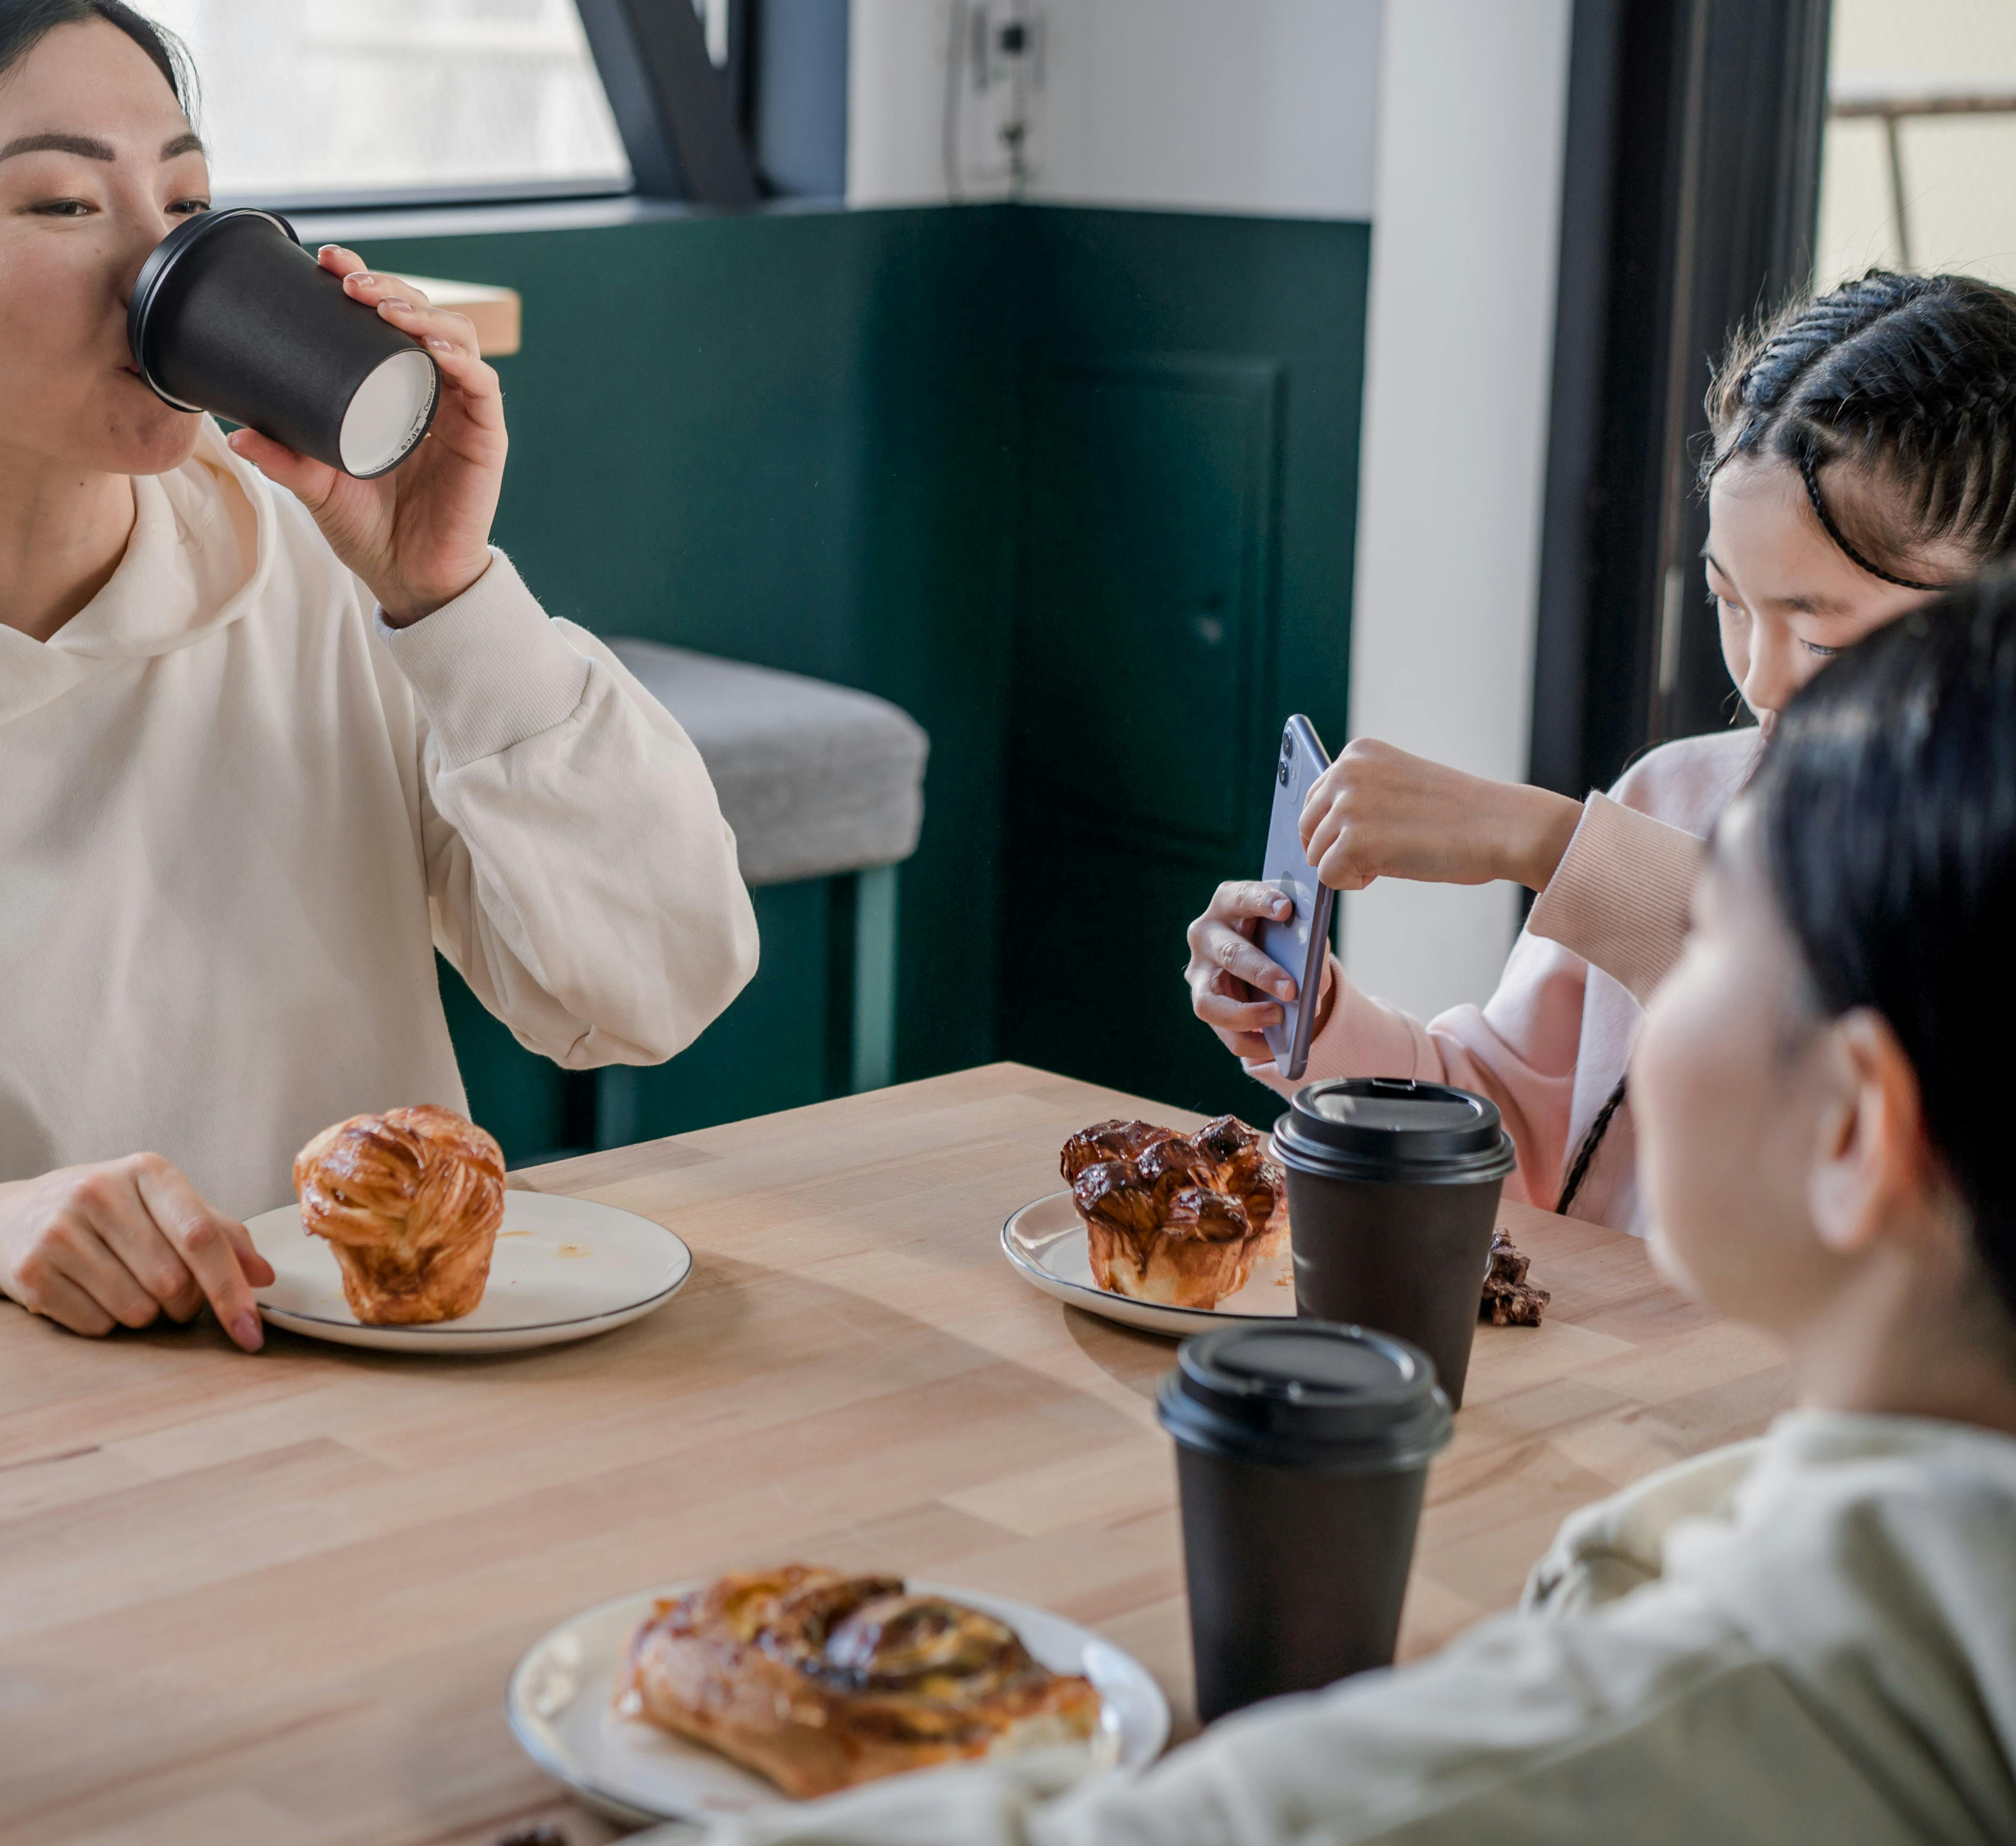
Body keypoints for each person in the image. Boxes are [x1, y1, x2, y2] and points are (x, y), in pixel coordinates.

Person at [647, 575, 2016, 1845]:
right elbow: (1496, 1109)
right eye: (1725, 595)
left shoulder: (1725, 1694)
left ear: (1852, 1126)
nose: (1767, 669)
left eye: (1710, 944)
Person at [0, 0, 757, 1348]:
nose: (164, 265)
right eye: (59, 202)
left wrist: (449, 600)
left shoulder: (334, 594)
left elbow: (658, 984)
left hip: (384, 1443)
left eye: (187, 198)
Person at [1183, 272, 2016, 1231]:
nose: (1761, 680)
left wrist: (1545, 840)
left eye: (1820, 631)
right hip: (1601, 1373)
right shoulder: (1672, 794)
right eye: (1729, 604)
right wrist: (1315, 1017)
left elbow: (1843, 1022)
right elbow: (1520, 1135)